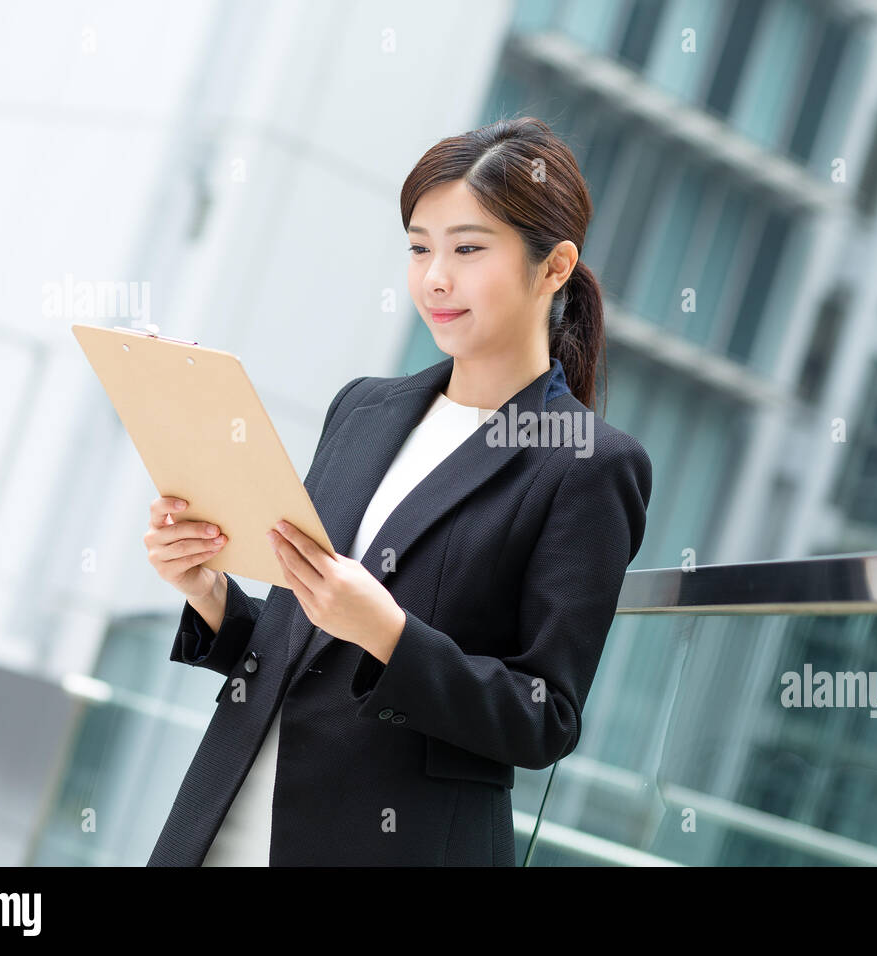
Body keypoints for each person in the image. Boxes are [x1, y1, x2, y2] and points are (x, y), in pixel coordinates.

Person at [142, 116, 653, 866]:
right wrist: (210, 591)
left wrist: (390, 634)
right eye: (420, 248)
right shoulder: (364, 409)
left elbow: (543, 718)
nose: (435, 277)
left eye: (468, 249)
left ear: (555, 267)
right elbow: (302, 647)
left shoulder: (587, 463)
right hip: (224, 823)